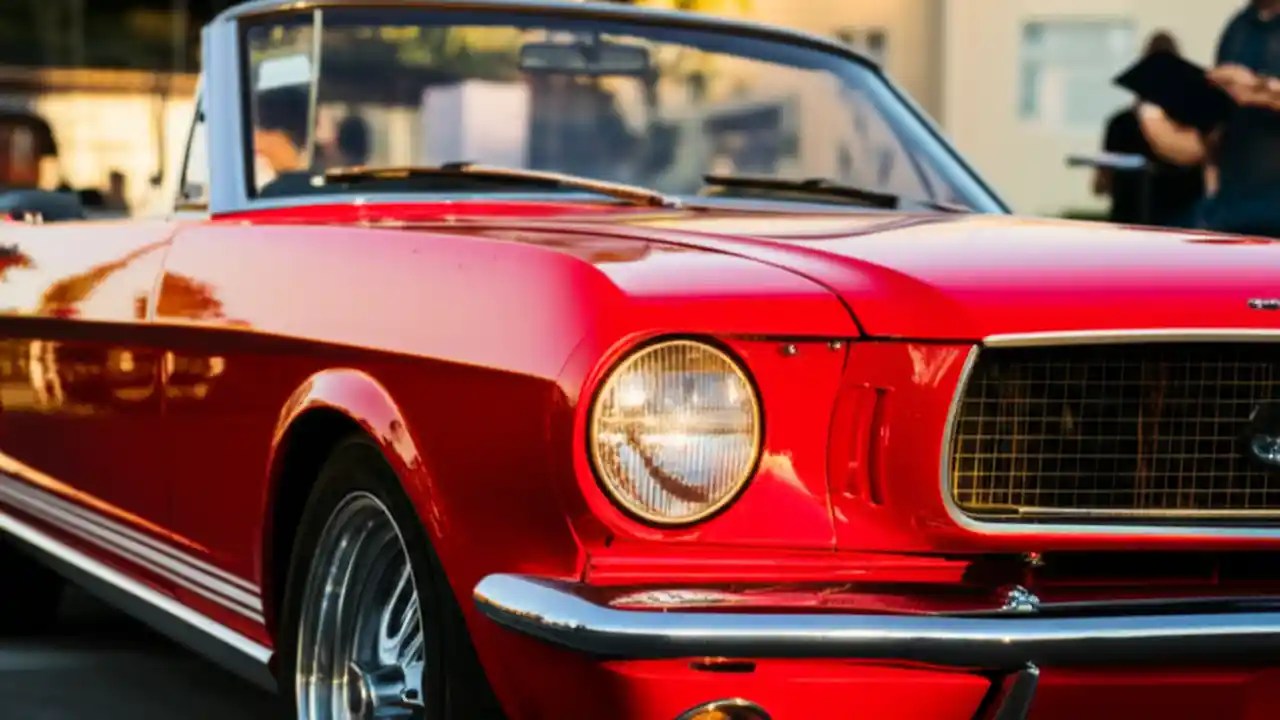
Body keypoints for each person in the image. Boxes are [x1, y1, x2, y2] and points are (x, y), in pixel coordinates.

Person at [1140, 1, 1280, 237]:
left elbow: (1252, 89)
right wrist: (1160, 121)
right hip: (1230, 213)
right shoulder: (1237, 27)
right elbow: (1214, 135)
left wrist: (1260, 89)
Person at [1095, 32, 1205, 226]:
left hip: (1128, 227)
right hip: (1180, 229)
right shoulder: (1194, 126)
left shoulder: (1120, 123)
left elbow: (1101, 186)